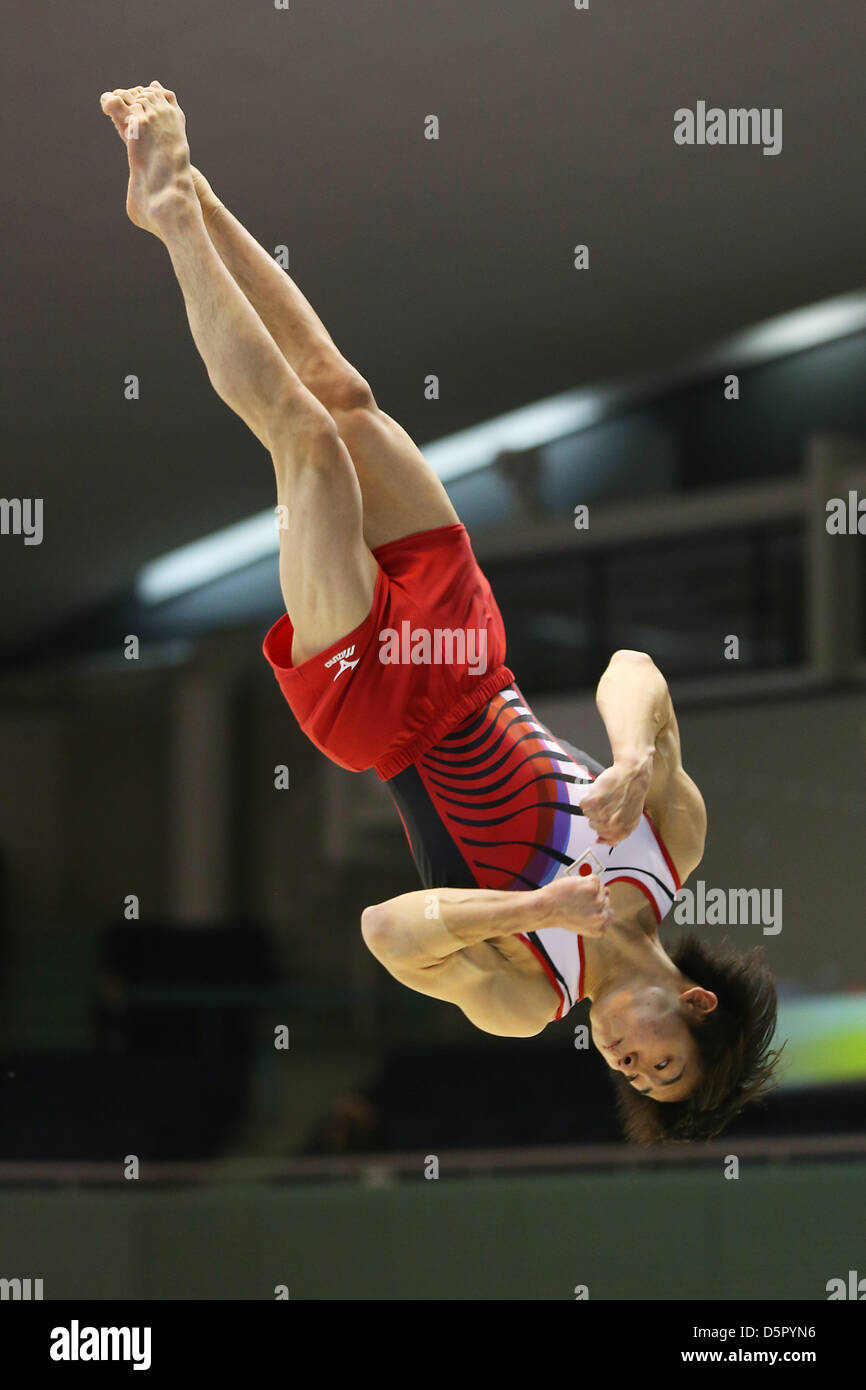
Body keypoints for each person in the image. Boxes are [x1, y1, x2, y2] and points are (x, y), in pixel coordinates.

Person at [100, 83, 782, 1141]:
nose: (628, 1060)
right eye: (660, 1058)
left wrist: (534, 910)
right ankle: (184, 192)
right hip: (473, 652)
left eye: (635, 1080)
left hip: (380, 717)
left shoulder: (525, 994)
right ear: (692, 1003)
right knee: (341, 392)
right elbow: (632, 667)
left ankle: (170, 213)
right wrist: (634, 760)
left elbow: (385, 928)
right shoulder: (671, 842)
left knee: (308, 449)